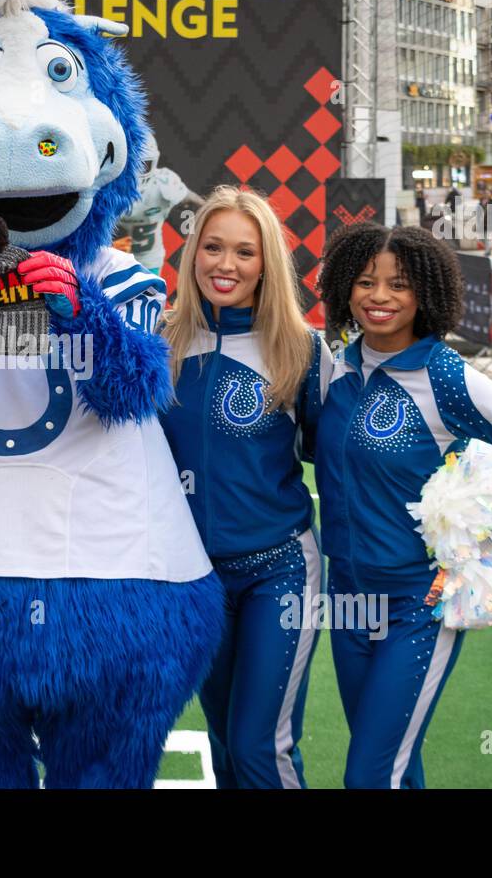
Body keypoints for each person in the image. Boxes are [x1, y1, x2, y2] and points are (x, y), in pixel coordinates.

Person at [314, 222, 492, 789]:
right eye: (365, 282)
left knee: (367, 777)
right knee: (393, 763)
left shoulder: (447, 377)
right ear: (344, 288)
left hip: (418, 605)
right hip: (346, 603)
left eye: (398, 285)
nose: (379, 297)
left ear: (425, 295)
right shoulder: (337, 368)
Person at [158, 186, 332, 788]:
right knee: (225, 743)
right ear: (192, 252)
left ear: (267, 264)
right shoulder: (161, 342)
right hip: (196, 579)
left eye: (244, 252)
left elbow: (337, 459)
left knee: (262, 747)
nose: (225, 265)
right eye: (212, 247)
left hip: (278, 570)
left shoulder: (301, 349)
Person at [114, 128, 202, 274]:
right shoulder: (108, 185)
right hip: (114, 259)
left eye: (142, 165)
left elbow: (194, 202)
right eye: (132, 164)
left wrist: (193, 232)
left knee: (150, 296)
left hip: (149, 260)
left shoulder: (163, 185)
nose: (136, 171)